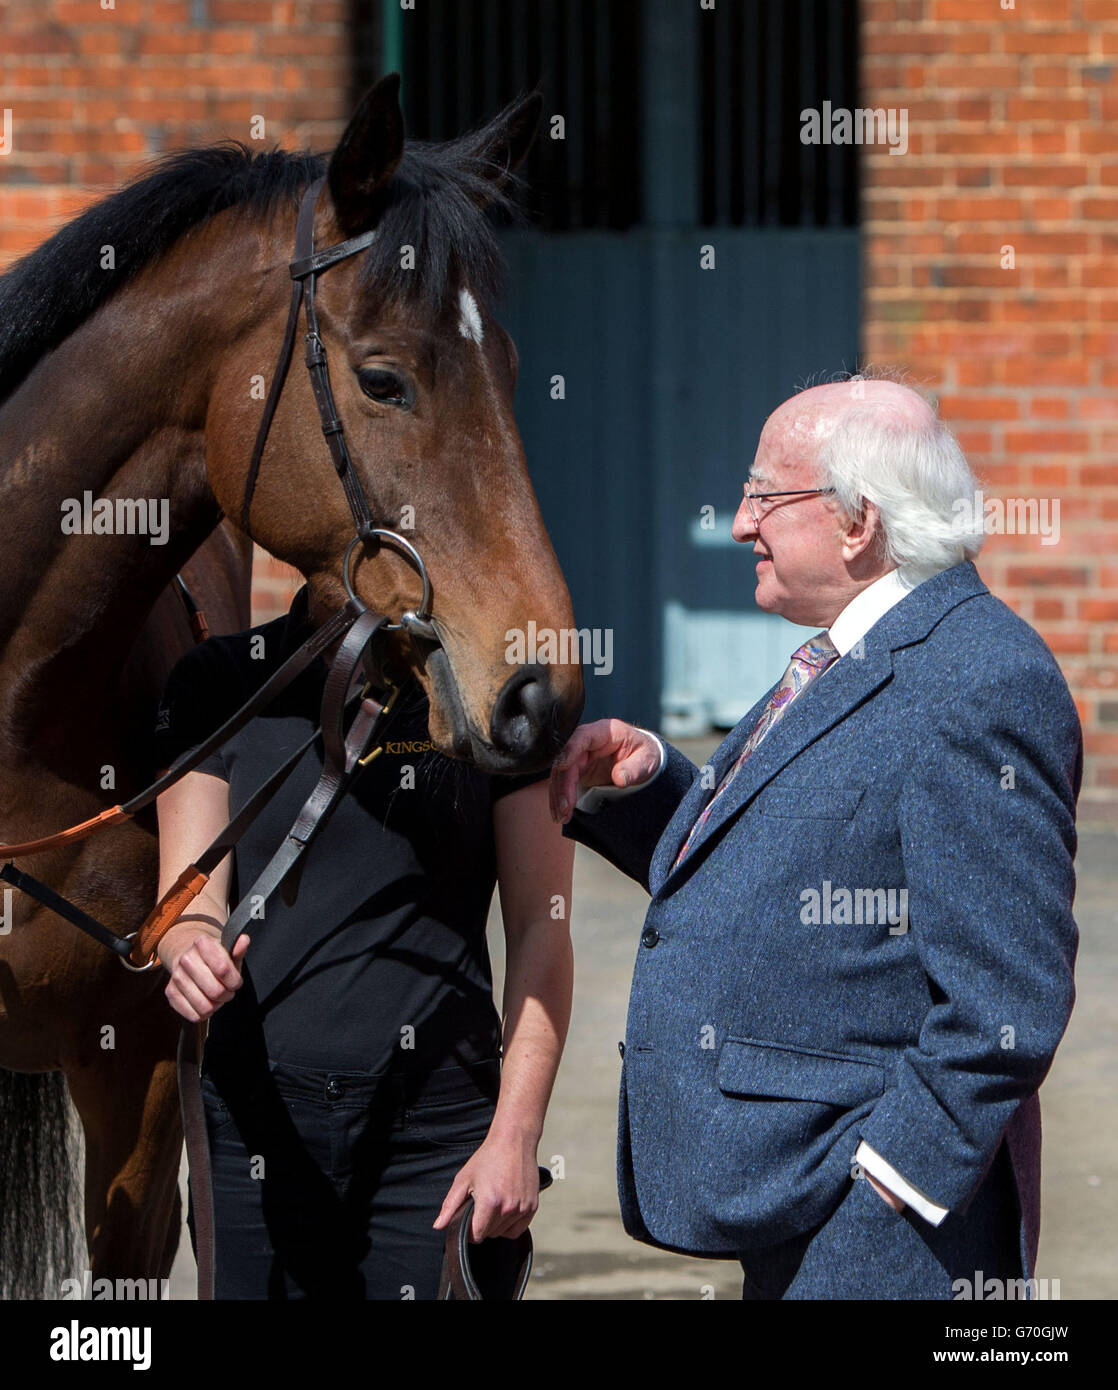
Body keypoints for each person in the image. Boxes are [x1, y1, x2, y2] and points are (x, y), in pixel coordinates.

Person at [550, 377, 1081, 1300]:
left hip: (878, 1243)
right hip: (800, 1203)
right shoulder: (853, 652)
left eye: (764, 494)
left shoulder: (978, 679)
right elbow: (798, 865)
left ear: (856, 524)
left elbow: (1010, 999)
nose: (740, 523)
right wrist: (657, 789)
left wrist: (891, 1182)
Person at [153, 581, 573, 1299]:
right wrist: (189, 952)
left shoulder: (489, 690)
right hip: (256, 1124)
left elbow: (543, 924)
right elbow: (184, 903)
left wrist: (516, 1133)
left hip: (436, 1131)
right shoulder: (219, 680)